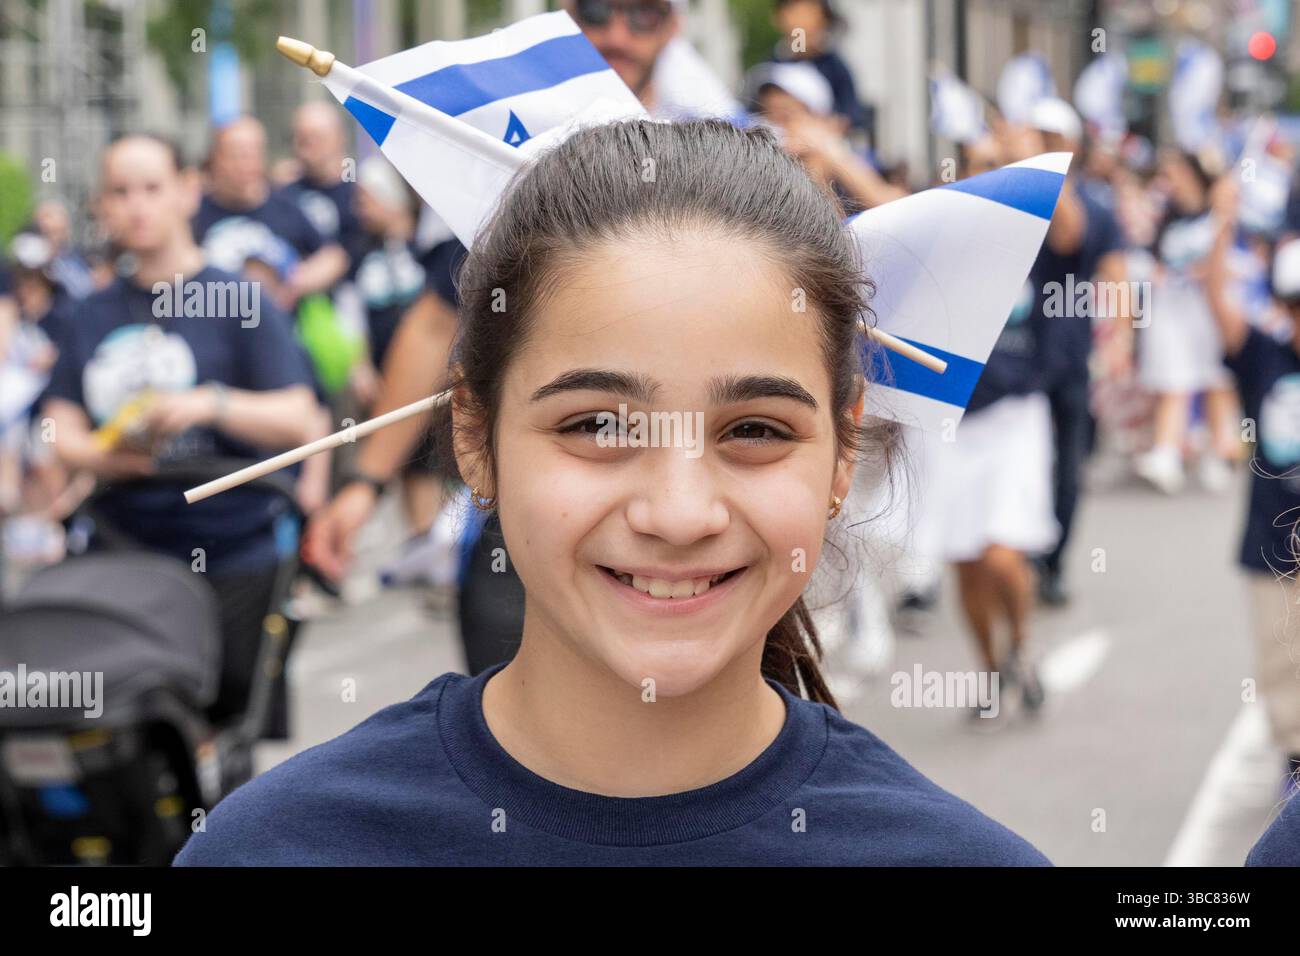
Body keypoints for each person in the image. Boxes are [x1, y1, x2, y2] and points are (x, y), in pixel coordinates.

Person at [173, 119, 1049, 866]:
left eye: (755, 430)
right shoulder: (279, 850)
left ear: (842, 450)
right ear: (475, 438)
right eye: (598, 426)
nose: (677, 513)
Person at [41, 133, 320, 730]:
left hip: (231, 548)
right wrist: (95, 453)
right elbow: (55, 419)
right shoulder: (89, 311)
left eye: (151, 188)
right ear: (101, 205)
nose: (136, 205)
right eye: (119, 191)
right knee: (124, 730)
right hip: (123, 549)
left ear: (187, 192)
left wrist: (208, 405)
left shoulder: (238, 299)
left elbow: (300, 415)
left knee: (221, 730)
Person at [908, 132, 1057, 718]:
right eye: (975, 169)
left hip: (1015, 416)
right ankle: (990, 669)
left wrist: (1034, 150)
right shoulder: (937, 244)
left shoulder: (1041, 240)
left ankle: (1021, 646)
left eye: (998, 169)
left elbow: (1078, 228)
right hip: (948, 423)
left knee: (1001, 555)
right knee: (965, 560)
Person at [1204, 176, 1300, 800]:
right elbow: (1217, 299)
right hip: (1272, 535)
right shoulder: (1264, 354)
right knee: (1282, 656)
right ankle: (1295, 756)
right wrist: (1222, 224)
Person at [1021, 99, 1128, 607]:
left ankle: (1053, 561)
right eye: (1037, 136)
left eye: (1054, 139)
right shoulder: (1010, 192)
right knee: (1024, 458)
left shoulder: (1093, 205)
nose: (1043, 146)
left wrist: (1122, 341)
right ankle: (1019, 549)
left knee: (1067, 464)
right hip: (1014, 360)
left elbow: (1101, 262)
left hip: (1067, 355)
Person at [1133, 149, 1239, 495]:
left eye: (1176, 173)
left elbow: (1231, 260)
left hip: (1210, 309)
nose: (1170, 182)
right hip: (1172, 312)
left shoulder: (1220, 215)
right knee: (1173, 380)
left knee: (1216, 379)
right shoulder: (1168, 216)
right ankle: (1167, 454)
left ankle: (1219, 451)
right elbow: (1152, 259)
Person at [193, 117, 349, 314]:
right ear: (214, 159)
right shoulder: (195, 213)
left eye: (252, 153)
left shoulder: (286, 206)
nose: (245, 164)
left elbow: (333, 257)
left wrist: (294, 283)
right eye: (236, 155)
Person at [769, 0, 870, 136]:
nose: (802, 21)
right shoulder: (770, 68)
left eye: (809, 13)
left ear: (824, 20)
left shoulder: (836, 68)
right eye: (796, 12)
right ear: (779, 18)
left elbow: (851, 116)